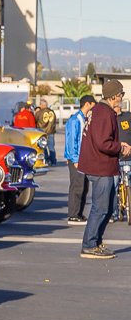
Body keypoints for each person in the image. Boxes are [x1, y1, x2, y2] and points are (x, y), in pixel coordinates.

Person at [79, 79, 131, 258]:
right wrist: (120, 147)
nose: (122, 97)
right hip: (100, 167)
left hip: (101, 166)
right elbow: (103, 142)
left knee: (108, 208)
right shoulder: (105, 113)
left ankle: (96, 241)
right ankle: (89, 244)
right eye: (121, 94)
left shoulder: (98, 111)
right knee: (100, 208)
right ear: (115, 96)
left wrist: (117, 145)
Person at [65, 95, 96, 225]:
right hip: (77, 159)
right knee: (77, 186)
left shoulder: (84, 119)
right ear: (87, 104)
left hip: (83, 159)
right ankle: (73, 215)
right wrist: (74, 159)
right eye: (94, 104)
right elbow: (72, 140)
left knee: (84, 187)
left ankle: (79, 213)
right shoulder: (75, 119)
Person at [34, 99, 58, 165]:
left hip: (42, 132)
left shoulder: (39, 112)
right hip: (51, 132)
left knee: (43, 147)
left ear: (42, 105)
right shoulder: (52, 112)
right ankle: (53, 161)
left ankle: (47, 160)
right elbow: (54, 122)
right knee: (51, 147)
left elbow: (35, 120)